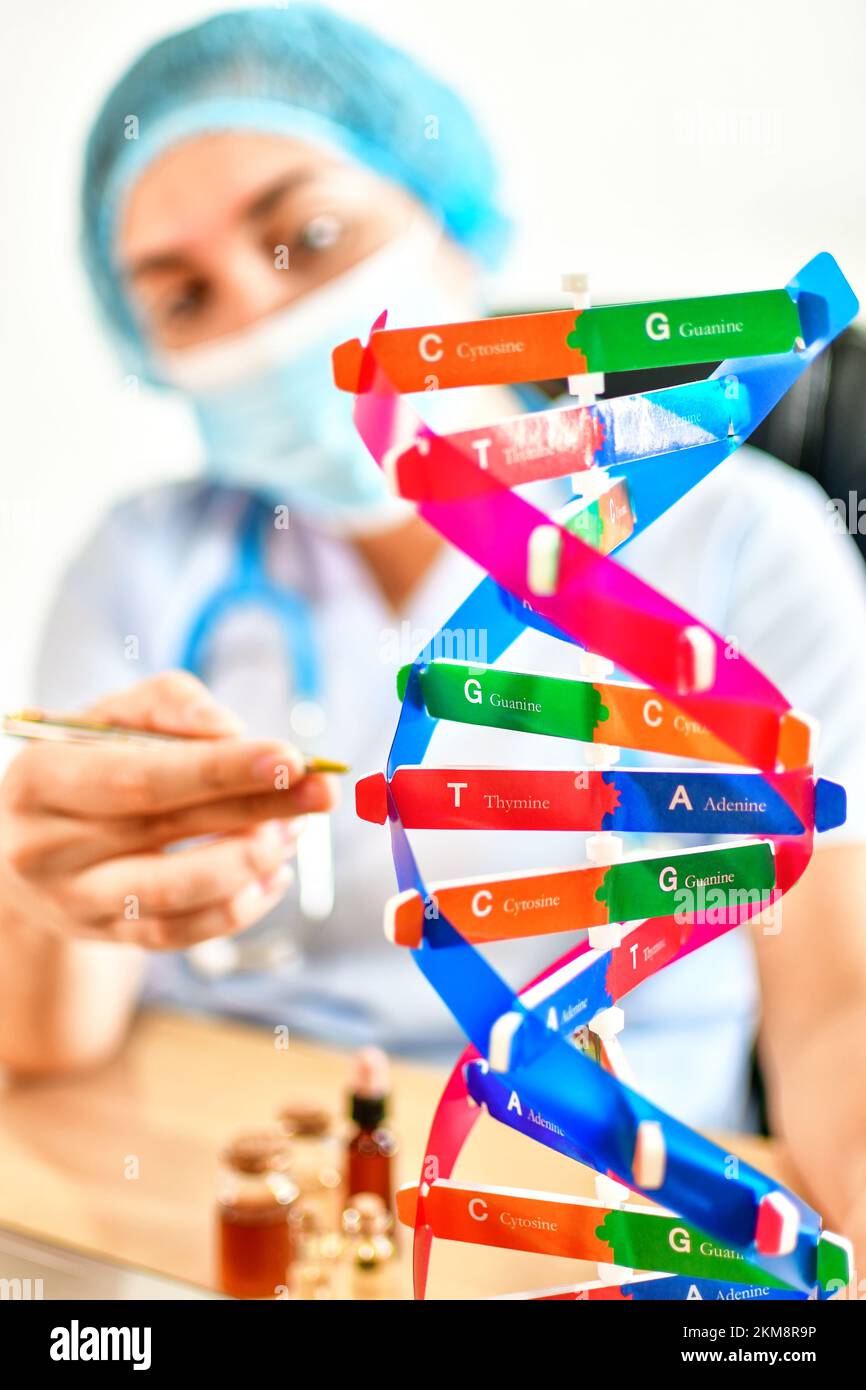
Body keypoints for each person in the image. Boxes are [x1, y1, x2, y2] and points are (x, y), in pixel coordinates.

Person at [2, 6, 866, 1270]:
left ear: (453, 225)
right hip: (216, 1184)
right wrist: (58, 891)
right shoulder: (144, 560)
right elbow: (44, 1041)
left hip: (603, 1204)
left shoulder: (743, 546)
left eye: (307, 236)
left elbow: (837, 1009)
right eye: (184, 297)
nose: (260, 318)